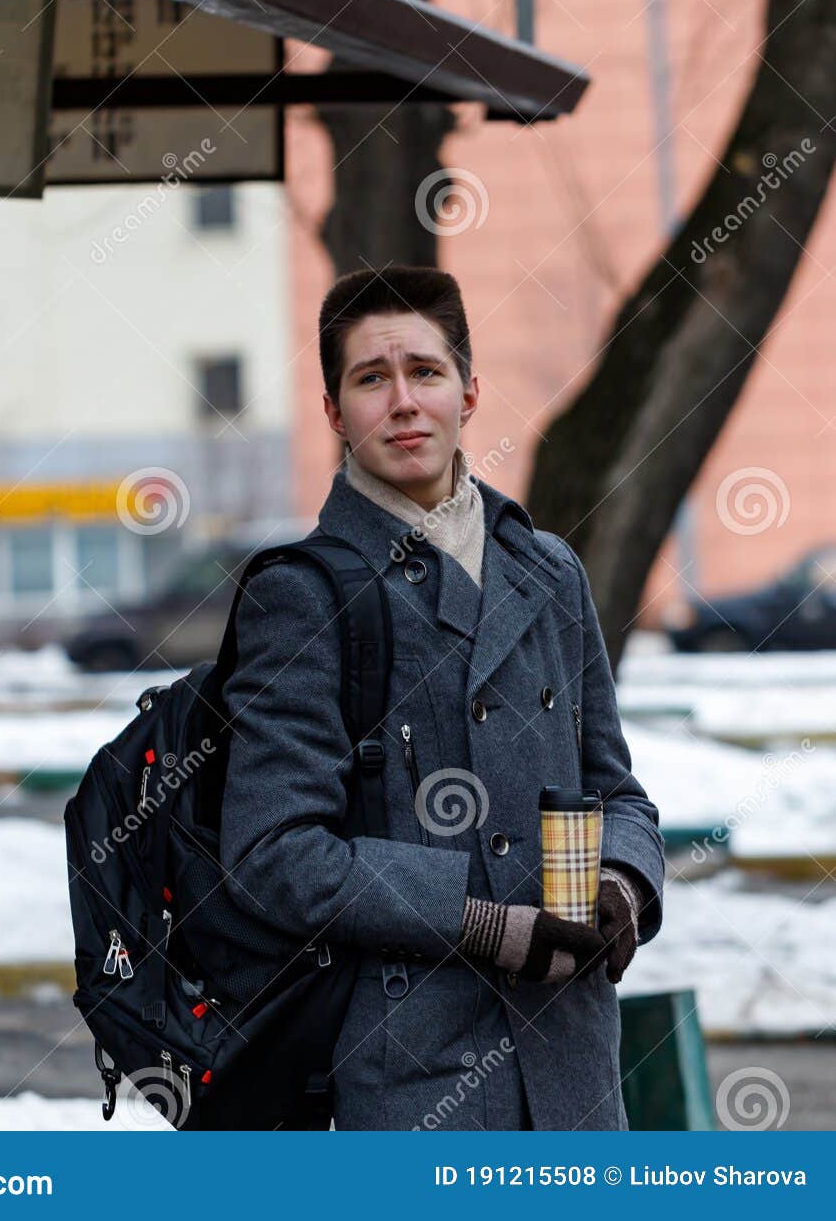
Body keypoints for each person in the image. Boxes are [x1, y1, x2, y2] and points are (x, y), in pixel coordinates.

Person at [219, 264, 664, 1130]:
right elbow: (272, 853)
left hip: (572, 1066)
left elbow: (618, 791)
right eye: (369, 379)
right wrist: (479, 921)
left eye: (424, 372)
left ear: (467, 392)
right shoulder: (302, 593)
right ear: (333, 411)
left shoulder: (547, 567)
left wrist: (620, 882)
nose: (402, 402)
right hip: (417, 1080)